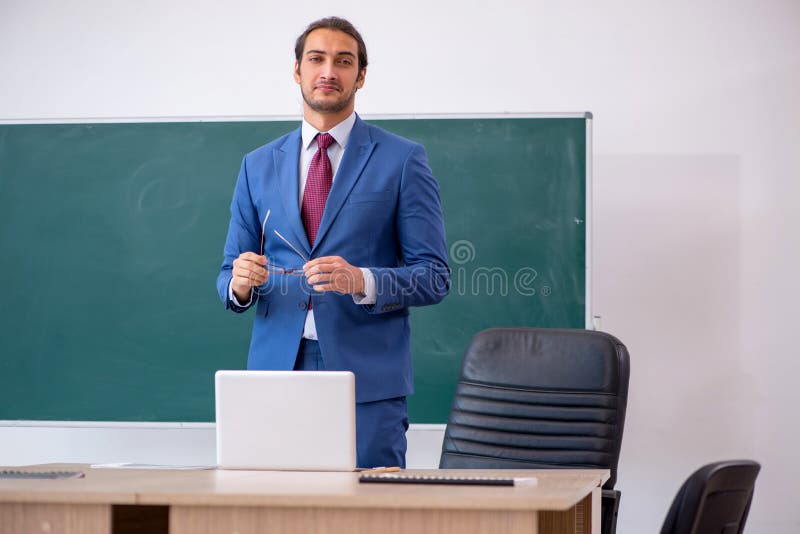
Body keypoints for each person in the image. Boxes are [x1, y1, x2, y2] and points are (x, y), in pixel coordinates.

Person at [215, 16, 450, 468]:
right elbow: (229, 274)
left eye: (344, 61)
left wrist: (360, 279)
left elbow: (434, 277)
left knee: (370, 513)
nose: (328, 72)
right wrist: (240, 283)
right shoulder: (257, 164)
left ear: (360, 76)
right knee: (277, 511)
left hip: (367, 379)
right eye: (316, 59)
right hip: (274, 377)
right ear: (297, 71)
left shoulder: (402, 160)